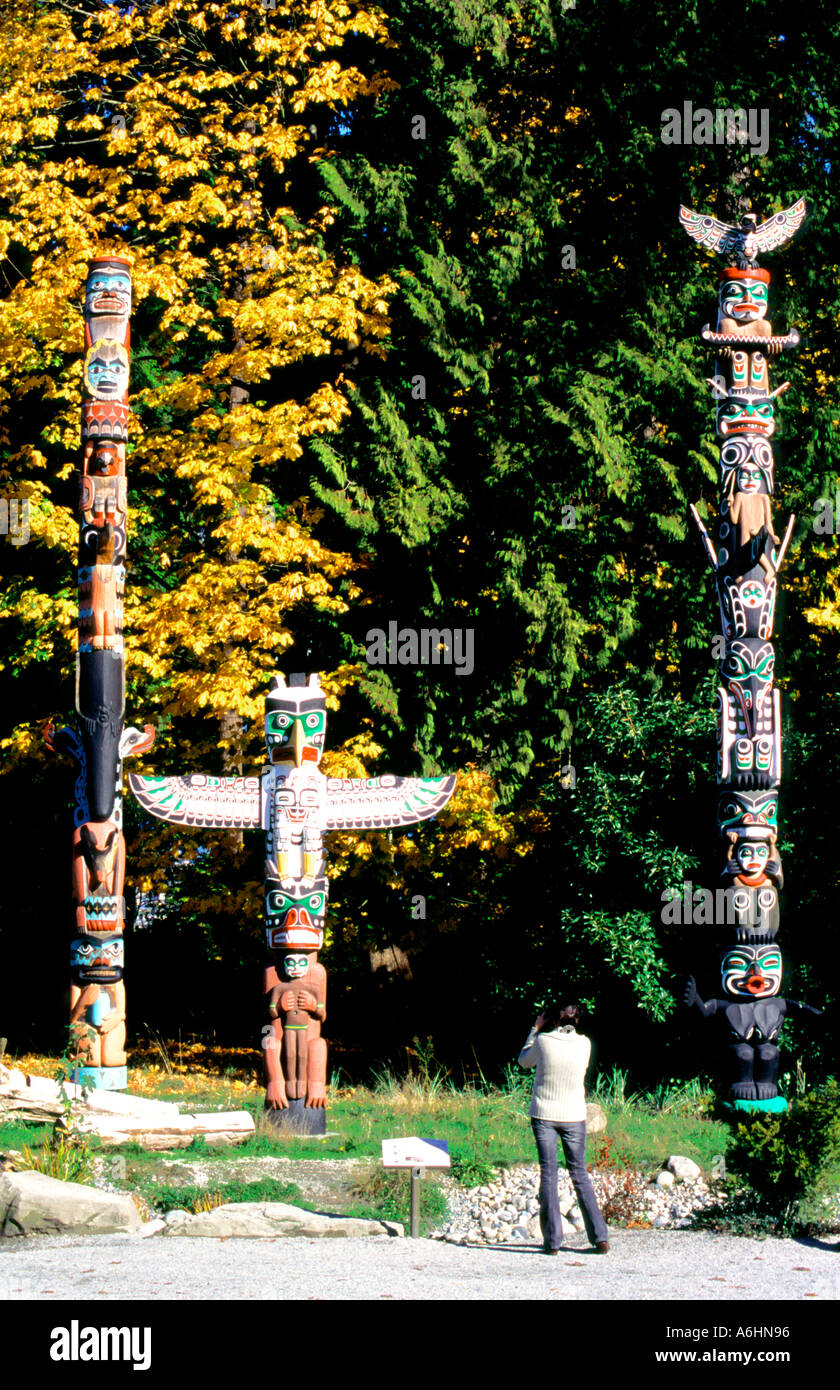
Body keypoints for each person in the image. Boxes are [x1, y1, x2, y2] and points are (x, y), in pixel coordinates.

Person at [518, 1002, 609, 1256]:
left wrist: (534, 1029)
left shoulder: (543, 1041)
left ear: (552, 1019)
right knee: (579, 1173)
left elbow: (524, 1061)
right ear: (577, 1020)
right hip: (574, 1114)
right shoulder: (585, 1044)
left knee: (549, 1173)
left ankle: (553, 1242)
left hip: (544, 1113)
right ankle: (600, 1237)